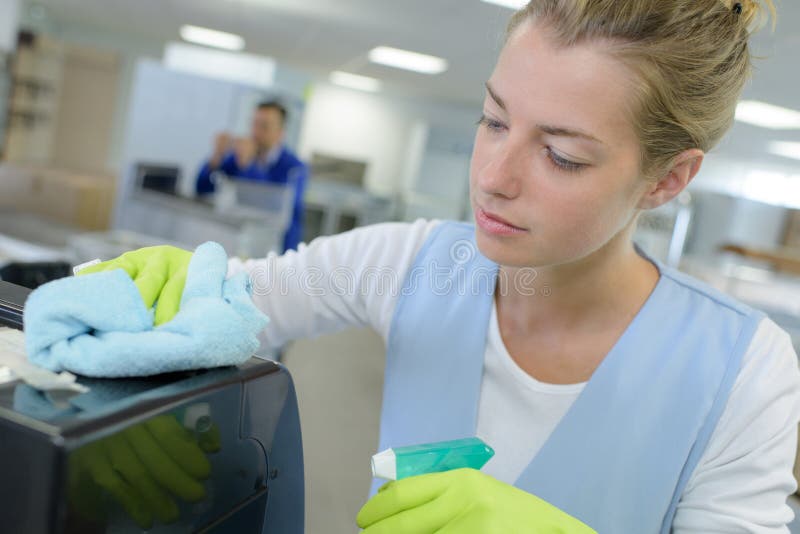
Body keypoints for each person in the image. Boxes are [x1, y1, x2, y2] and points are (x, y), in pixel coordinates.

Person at [87, 0, 800, 531]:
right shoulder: (410, 263)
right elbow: (236, 300)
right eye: (493, 121)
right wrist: (147, 315)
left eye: (562, 156)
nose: (493, 176)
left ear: (666, 181)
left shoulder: (743, 369)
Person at [196, 101, 308, 252]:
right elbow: (202, 188)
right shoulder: (238, 158)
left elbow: (276, 205)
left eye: (264, 126)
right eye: (254, 124)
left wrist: (248, 166)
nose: (256, 132)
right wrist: (216, 156)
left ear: (280, 133)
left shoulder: (295, 168)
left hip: (277, 249)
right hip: (240, 242)